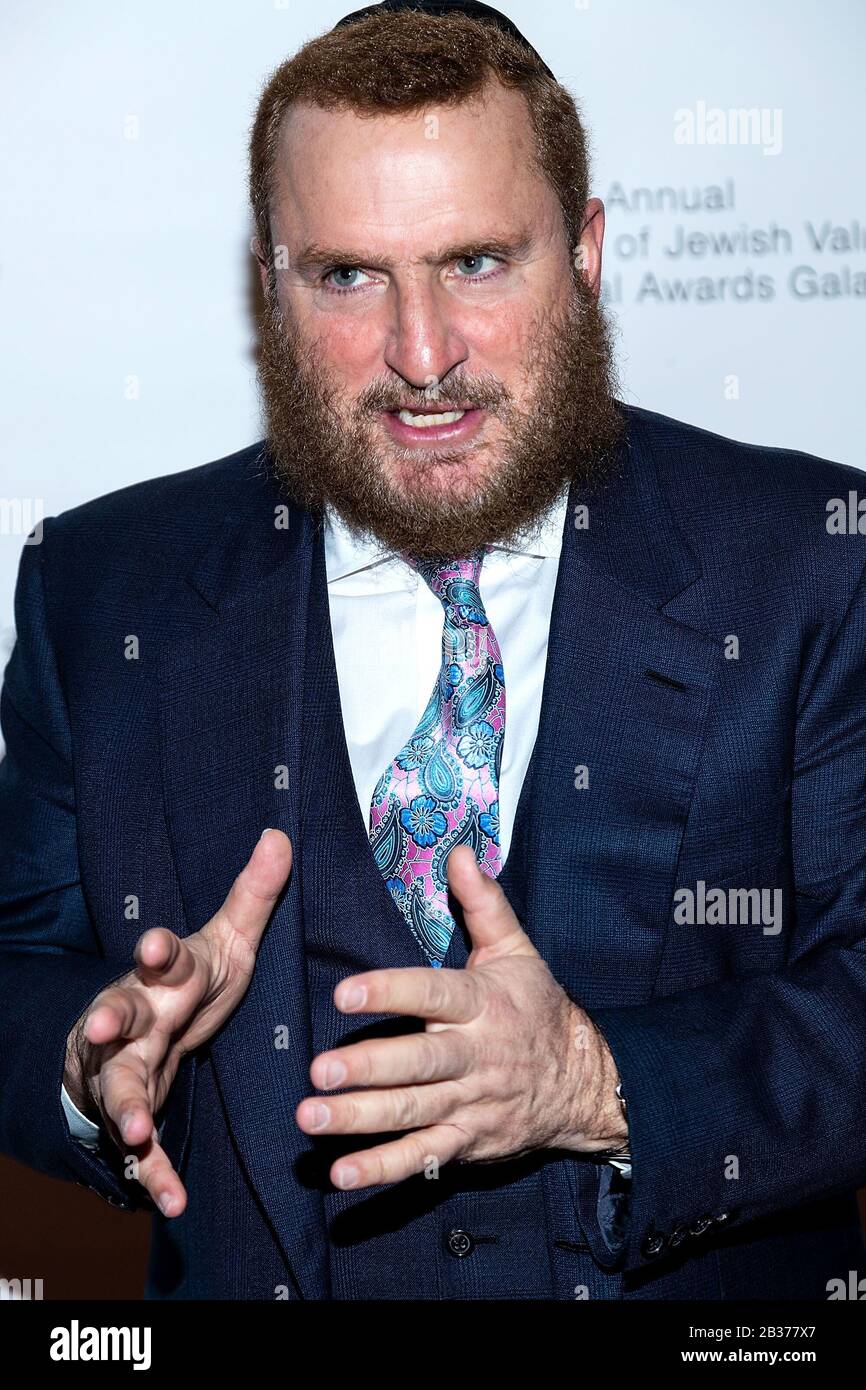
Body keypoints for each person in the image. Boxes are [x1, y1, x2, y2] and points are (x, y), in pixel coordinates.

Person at [2, 0, 865, 1301]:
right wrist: (87, 1056)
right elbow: (20, 969)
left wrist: (599, 1084)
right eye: (348, 274)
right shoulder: (102, 584)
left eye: (475, 262)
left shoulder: (812, 556)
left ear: (583, 252)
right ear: (270, 284)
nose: (421, 357)